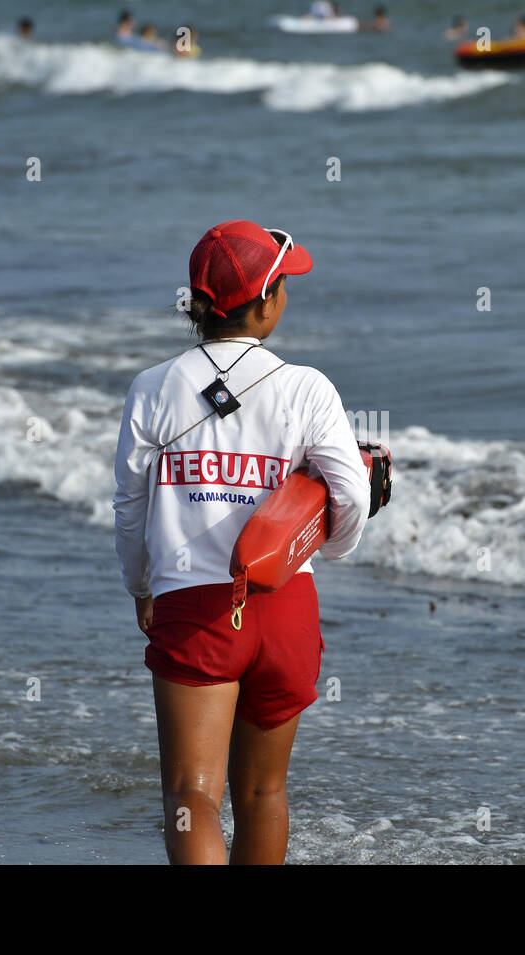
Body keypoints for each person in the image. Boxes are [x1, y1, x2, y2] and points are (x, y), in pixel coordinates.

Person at [113, 221, 369, 865]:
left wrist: (140, 586)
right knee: (262, 791)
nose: (286, 297)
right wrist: (329, 548)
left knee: (191, 794)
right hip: (284, 609)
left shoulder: (153, 386)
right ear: (263, 303)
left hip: (195, 609)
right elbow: (352, 494)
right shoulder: (308, 387)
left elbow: (130, 506)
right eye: (283, 285)